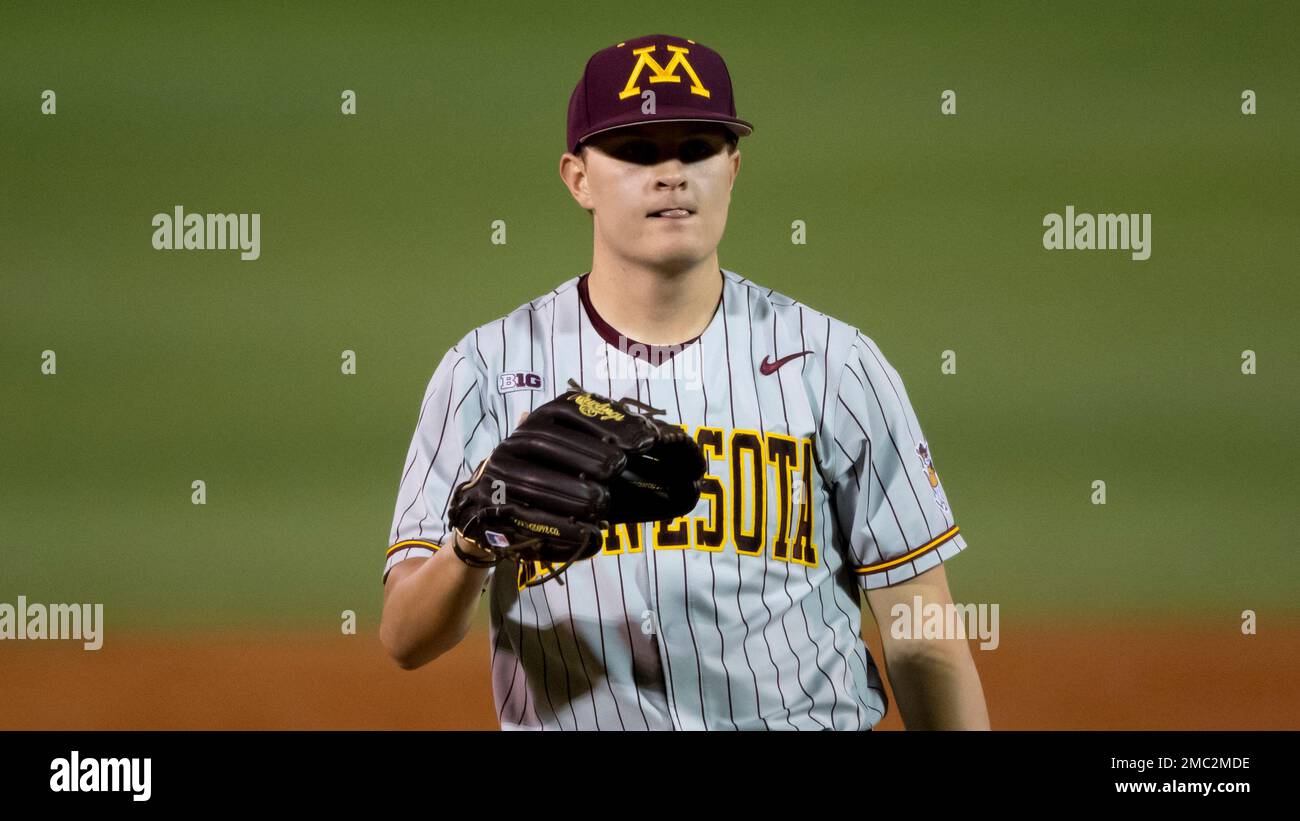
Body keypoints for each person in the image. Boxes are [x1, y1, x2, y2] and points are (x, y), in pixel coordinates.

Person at [379, 33, 989, 730]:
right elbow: (404, 636)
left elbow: (921, 631)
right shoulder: (486, 370)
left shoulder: (835, 364)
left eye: (696, 149)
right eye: (637, 152)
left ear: (732, 169)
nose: (671, 173)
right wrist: (473, 540)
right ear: (578, 177)